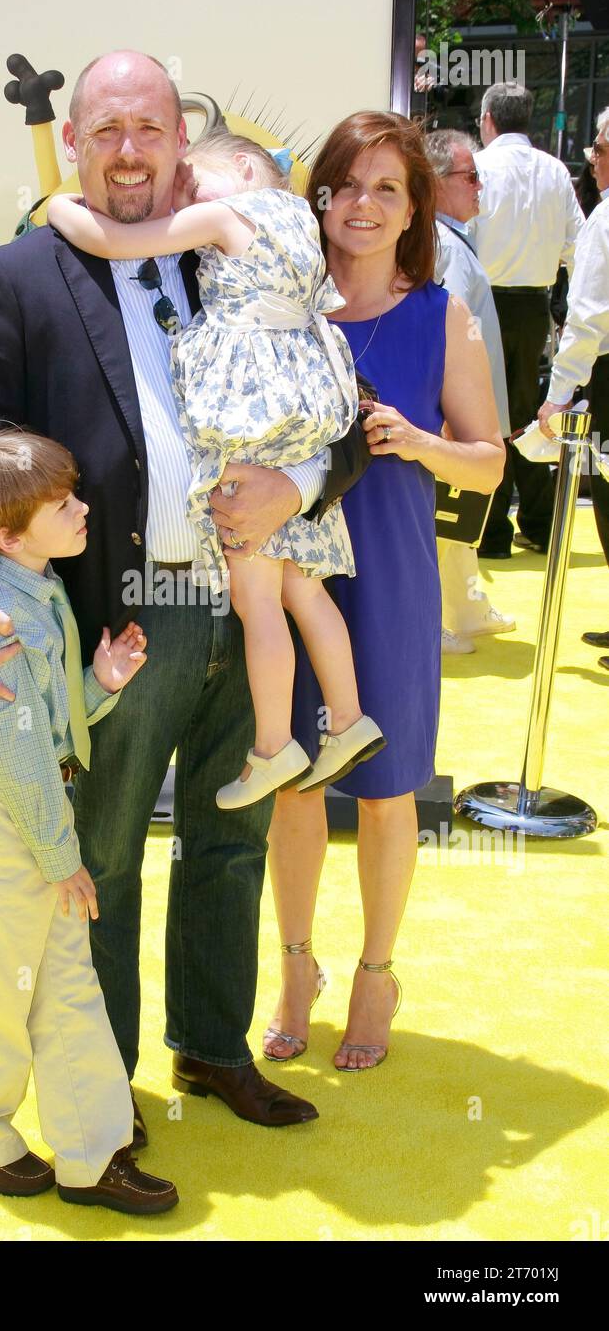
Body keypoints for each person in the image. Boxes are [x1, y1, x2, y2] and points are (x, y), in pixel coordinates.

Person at [0, 51, 319, 1137]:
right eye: (106, 133)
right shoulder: (21, 273)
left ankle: (212, 1047)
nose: (130, 152)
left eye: (149, 129)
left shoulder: (233, 247)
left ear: (178, 140)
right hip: (119, 620)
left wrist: (299, 479)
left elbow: (330, 397)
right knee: (99, 862)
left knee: (227, 839)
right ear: (76, 144)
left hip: (251, 605)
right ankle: (105, 1087)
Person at [261, 112, 504, 1068]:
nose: (362, 206)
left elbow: (487, 465)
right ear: (318, 197)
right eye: (346, 186)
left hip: (394, 578)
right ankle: (292, 968)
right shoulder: (284, 307)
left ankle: (375, 974)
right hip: (290, 580)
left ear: (415, 211)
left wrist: (418, 439)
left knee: (387, 788)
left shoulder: (439, 314)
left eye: (387, 191)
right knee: (291, 779)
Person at [47, 127, 384, 808]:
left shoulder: (228, 215)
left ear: (240, 167)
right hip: (305, 406)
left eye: (191, 183)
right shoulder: (302, 225)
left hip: (252, 421)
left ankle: (272, 746)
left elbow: (113, 240)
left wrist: (58, 203)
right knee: (303, 592)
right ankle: (346, 719)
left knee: (257, 600)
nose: (184, 200)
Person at [0, 428, 176, 1213]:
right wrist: (60, 853)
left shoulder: (37, 589)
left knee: (67, 983)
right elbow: (19, 744)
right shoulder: (1, 615)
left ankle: (91, 1152)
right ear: (6, 534)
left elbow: (50, 716)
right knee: (0, 989)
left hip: (36, 816)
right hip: (12, 821)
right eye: (62, 503)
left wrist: (97, 683)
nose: (82, 509)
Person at [472, 82, 584, 559]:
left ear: (488, 120)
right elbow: (577, 247)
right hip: (535, 306)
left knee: (484, 414)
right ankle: (537, 524)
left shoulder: (478, 167)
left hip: (482, 303)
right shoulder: (556, 171)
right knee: (531, 412)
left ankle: (491, 531)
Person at [425, 128, 515, 654]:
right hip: (455, 417)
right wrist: (450, 415)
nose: (479, 186)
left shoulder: (451, 240)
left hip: (461, 414)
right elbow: (446, 331)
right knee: (439, 520)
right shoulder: (448, 246)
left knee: (456, 519)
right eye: (470, 176)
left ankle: (465, 605)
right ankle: (438, 619)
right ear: (438, 183)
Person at [538, 108, 609, 675]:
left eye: (599, 151)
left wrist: (559, 393)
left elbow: (588, 317)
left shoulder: (605, 219)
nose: (594, 162)